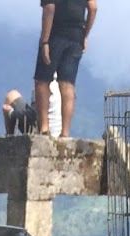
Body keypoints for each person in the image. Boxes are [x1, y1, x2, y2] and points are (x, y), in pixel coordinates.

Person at [34, 0, 96, 138]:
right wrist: (85, 35)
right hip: (76, 36)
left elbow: (49, 8)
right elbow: (93, 8)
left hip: (55, 33)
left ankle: (44, 128)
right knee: (67, 85)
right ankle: (65, 132)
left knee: (42, 82)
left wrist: (45, 41)